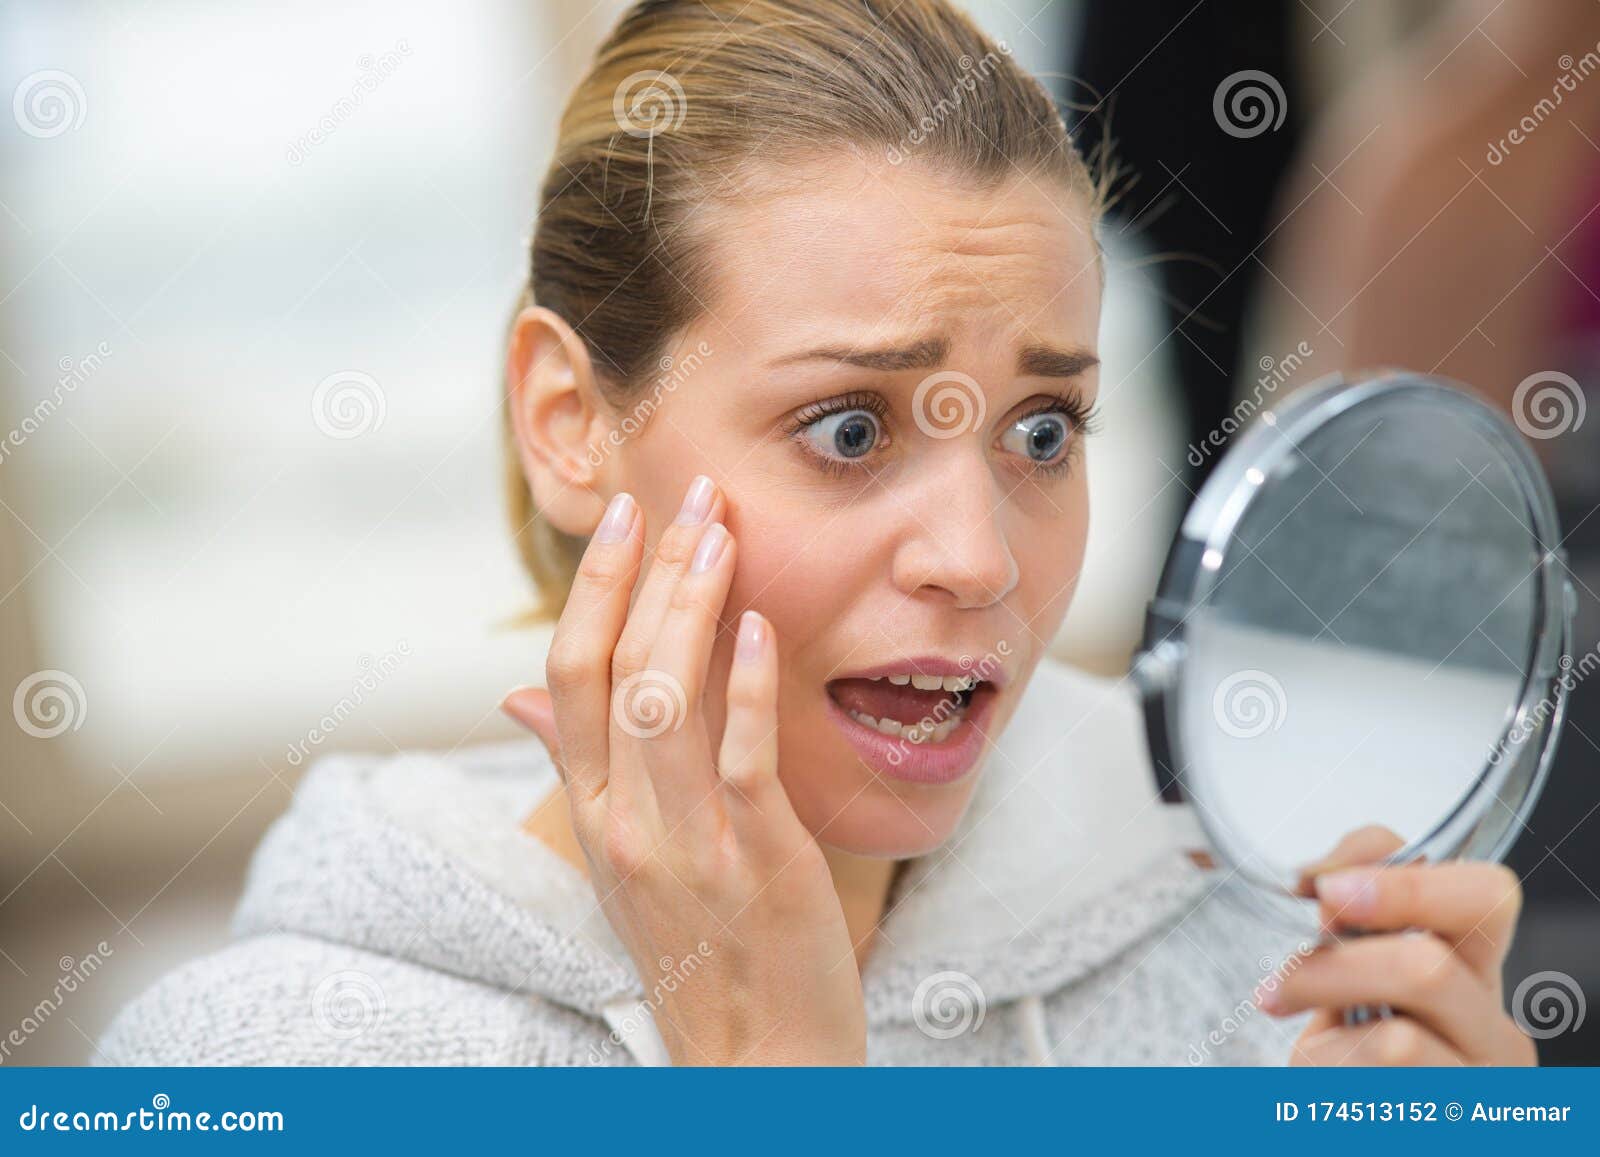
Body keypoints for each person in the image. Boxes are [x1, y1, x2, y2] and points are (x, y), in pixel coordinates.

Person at [95, 0, 1535, 1067]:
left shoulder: (1268, 986)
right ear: (568, 420)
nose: (979, 558)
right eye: (850, 429)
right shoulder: (257, 1063)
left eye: (1043, 432)